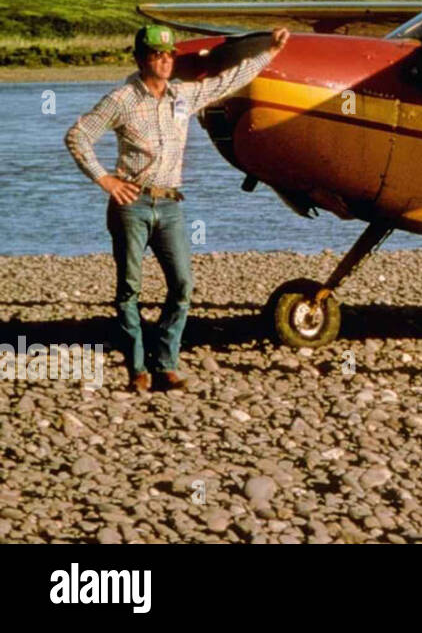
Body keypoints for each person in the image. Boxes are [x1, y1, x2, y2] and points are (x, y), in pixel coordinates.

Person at [65, 24, 290, 392]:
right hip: (131, 204)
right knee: (129, 289)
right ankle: (137, 368)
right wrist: (105, 179)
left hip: (171, 204)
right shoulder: (121, 99)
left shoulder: (184, 95)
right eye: (157, 54)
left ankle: (166, 363)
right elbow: (78, 136)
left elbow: (228, 80)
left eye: (169, 55)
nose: (165, 61)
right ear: (140, 58)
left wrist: (271, 52)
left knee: (183, 284)